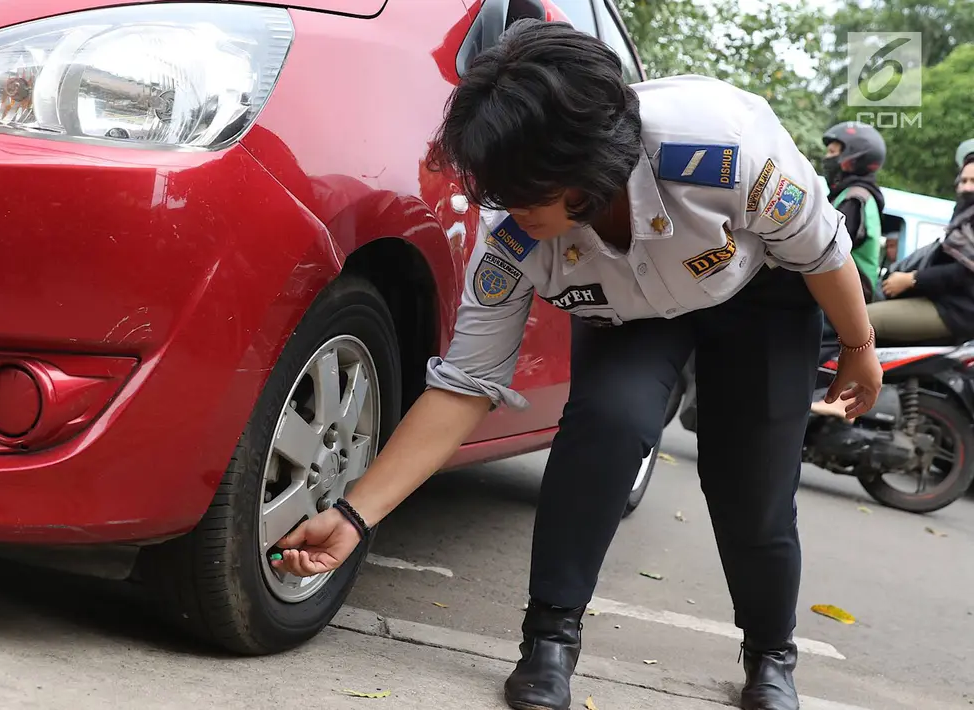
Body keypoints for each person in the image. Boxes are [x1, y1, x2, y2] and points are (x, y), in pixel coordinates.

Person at [273, 20, 881, 710]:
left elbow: (822, 251)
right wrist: (352, 517)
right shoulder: (511, 235)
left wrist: (858, 351)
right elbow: (462, 387)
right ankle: (548, 641)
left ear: (587, 165)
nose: (508, 208)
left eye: (527, 191)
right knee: (606, 424)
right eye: (498, 190)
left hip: (759, 291)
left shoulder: (719, 149)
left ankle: (771, 653)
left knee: (751, 490)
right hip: (632, 312)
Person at [864, 147, 974, 344]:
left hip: (958, 310)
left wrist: (911, 279)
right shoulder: (962, 219)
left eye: (973, 182)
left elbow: (963, 271)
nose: (966, 187)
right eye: (964, 181)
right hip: (939, 299)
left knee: (863, 322)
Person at [822, 122, 887, 302]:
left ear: (853, 158)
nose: (826, 158)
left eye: (833, 152)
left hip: (850, 293)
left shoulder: (855, 198)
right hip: (842, 286)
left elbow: (826, 249)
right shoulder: (848, 194)